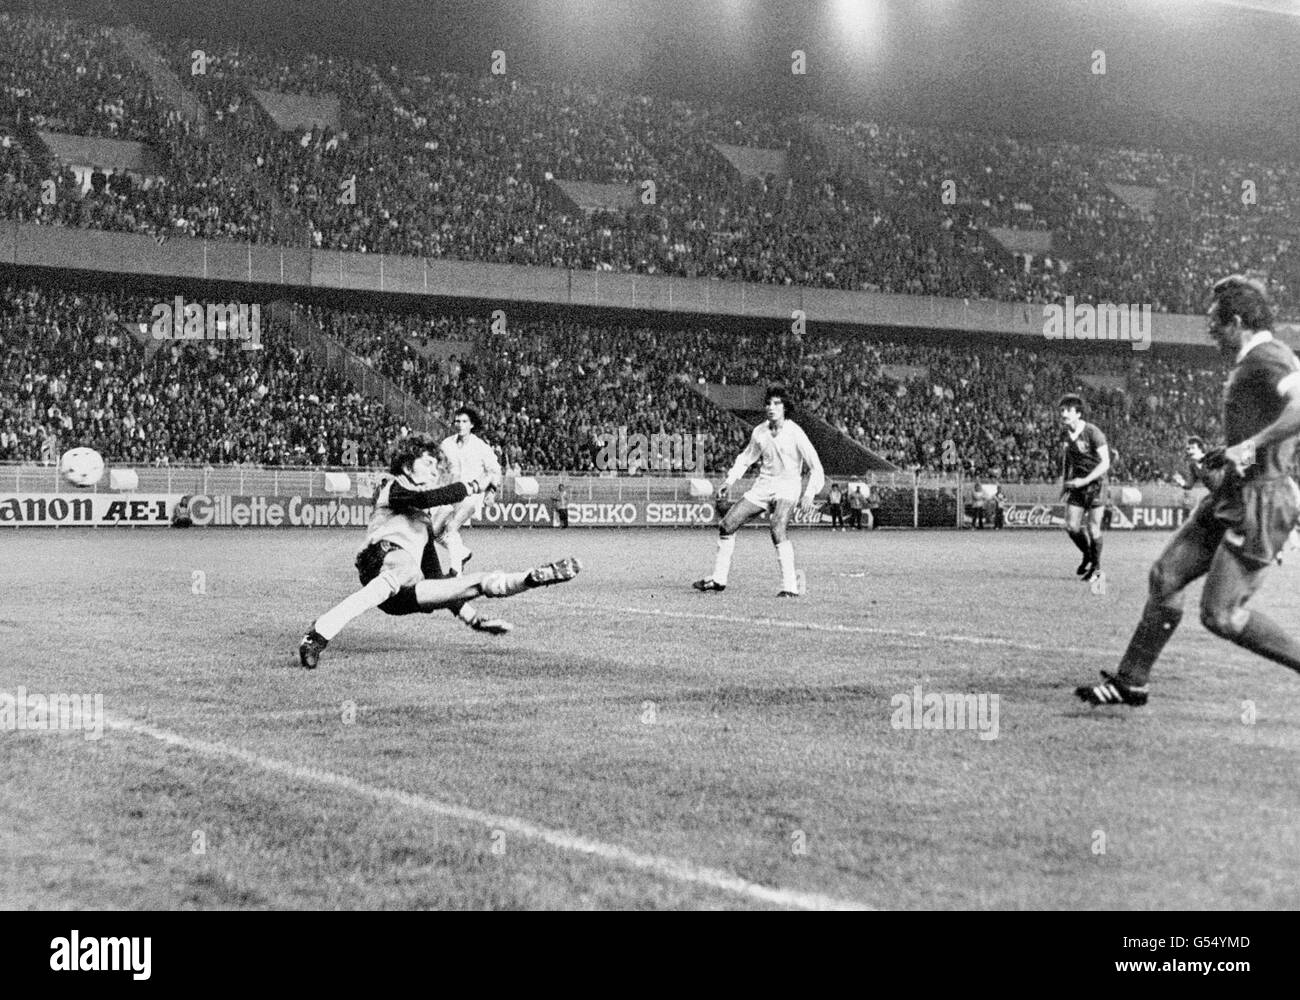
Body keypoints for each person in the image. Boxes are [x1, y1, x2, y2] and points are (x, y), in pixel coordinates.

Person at [1078, 275, 1300, 707]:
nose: (1211, 332)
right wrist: (1229, 452)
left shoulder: (1269, 357)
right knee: (1166, 576)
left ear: (1236, 321)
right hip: (1231, 496)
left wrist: (1251, 446)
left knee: (1221, 615)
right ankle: (1131, 681)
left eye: (1215, 324)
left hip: (1260, 503)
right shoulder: (1252, 361)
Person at [298, 436, 580, 669]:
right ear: (408, 466)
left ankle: (530, 577)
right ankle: (317, 636)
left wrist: (474, 620)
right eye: (429, 464)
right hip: (379, 563)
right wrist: (475, 485)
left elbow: (435, 578)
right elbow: (423, 498)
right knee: (404, 567)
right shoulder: (391, 486)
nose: (434, 471)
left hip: (402, 596)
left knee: (477, 582)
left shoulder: (423, 524)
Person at [692, 387, 824, 597]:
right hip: (764, 485)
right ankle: (718, 579)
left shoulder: (795, 432)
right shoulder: (760, 432)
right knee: (727, 524)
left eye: (776, 404)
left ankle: (790, 587)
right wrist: (730, 480)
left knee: (777, 526)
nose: (771, 408)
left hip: (788, 485)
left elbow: (817, 467)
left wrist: (809, 493)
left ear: (785, 408)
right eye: (768, 404)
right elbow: (746, 458)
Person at [430, 406, 501, 575]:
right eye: (457, 421)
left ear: (471, 425)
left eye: (464, 422)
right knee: (433, 531)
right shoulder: (446, 444)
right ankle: (462, 553)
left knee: (451, 527)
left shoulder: (481, 446)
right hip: (448, 493)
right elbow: (439, 467)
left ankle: (456, 572)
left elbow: (494, 470)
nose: (460, 425)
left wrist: (492, 492)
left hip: (472, 494)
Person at [1058, 393, 1110, 584]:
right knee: (1071, 526)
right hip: (1078, 484)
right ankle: (1088, 554)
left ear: (1078, 413)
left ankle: (1096, 570)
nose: (1064, 414)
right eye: (1062, 410)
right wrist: (1065, 481)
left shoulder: (1093, 432)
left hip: (1096, 484)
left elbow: (1105, 463)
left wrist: (1085, 480)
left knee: (1093, 527)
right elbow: (1068, 459)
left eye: (1068, 410)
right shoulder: (1065, 433)